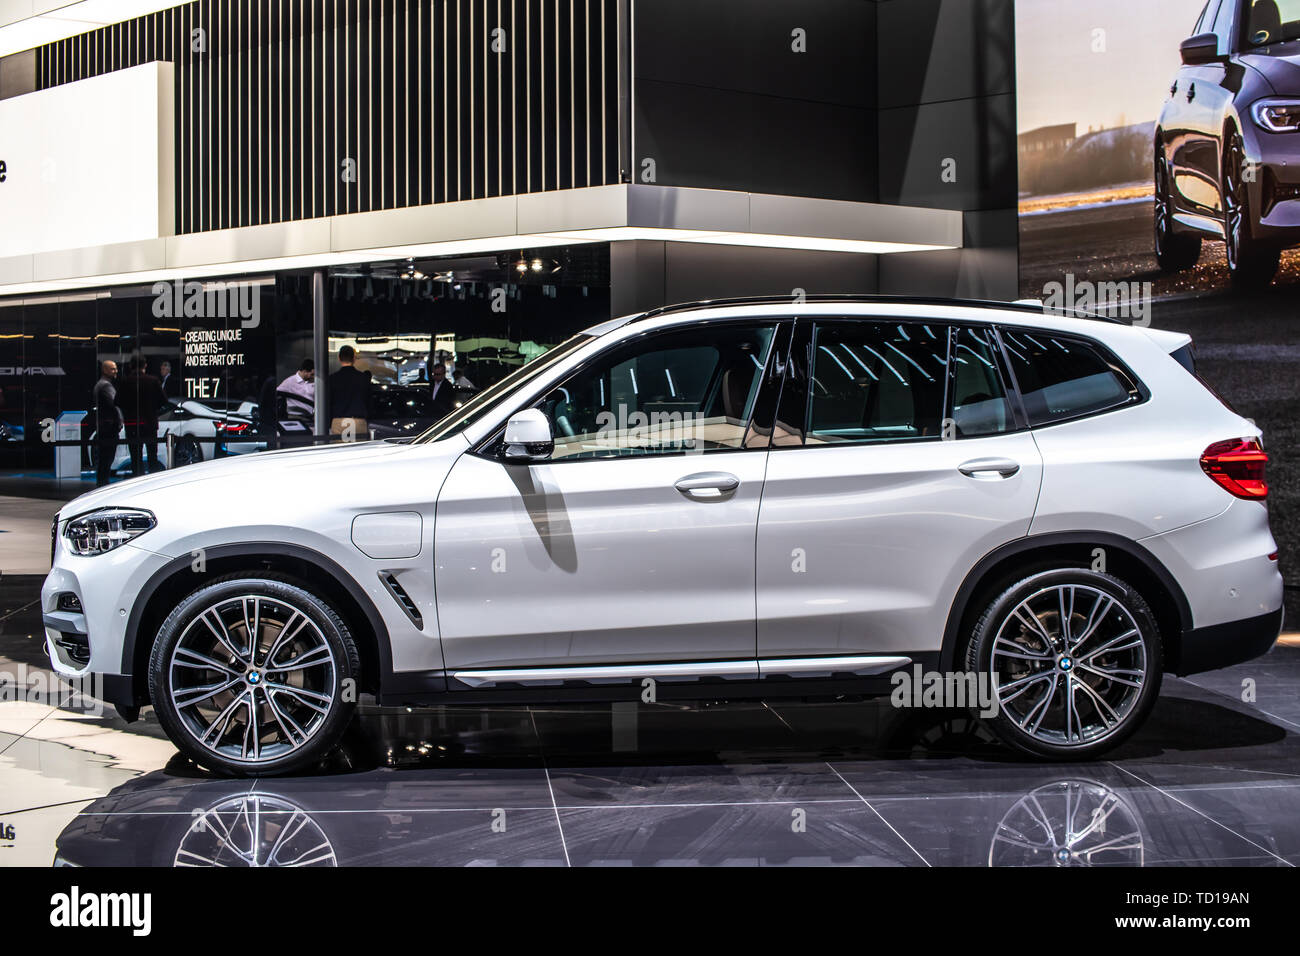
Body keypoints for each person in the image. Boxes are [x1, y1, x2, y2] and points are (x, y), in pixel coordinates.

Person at [119, 358, 166, 476]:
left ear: (130, 366)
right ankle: (152, 480)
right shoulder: (153, 380)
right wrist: (152, 408)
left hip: (132, 424)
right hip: (149, 422)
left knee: (135, 456)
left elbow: (118, 401)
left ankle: (137, 478)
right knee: (152, 455)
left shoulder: (125, 381)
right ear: (145, 365)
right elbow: (163, 401)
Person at [328, 345, 371, 439]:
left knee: (339, 450)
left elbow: (328, 402)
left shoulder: (332, 379)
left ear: (339, 358)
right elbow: (368, 401)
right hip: (358, 421)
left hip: (338, 421)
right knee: (360, 452)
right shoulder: (363, 378)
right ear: (354, 358)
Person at [92, 359, 122, 487]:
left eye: (115, 368)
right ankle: (103, 486)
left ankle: (102, 484)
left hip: (104, 427)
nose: (116, 371)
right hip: (109, 428)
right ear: (104, 370)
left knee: (104, 461)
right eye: (112, 369)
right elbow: (115, 405)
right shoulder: (106, 386)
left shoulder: (100, 385)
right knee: (106, 460)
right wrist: (120, 422)